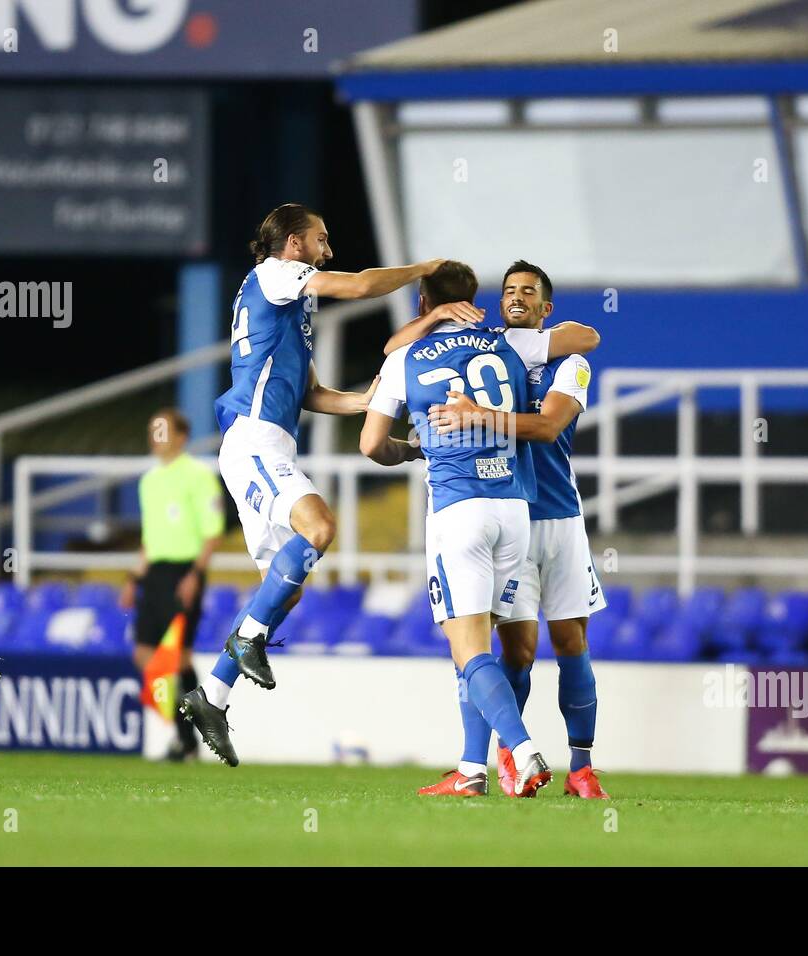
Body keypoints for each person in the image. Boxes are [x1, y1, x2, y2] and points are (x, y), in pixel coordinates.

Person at [179, 202, 444, 767]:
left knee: (288, 588)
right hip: (253, 441)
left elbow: (312, 395)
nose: (329, 248)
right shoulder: (278, 273)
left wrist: (366, 400)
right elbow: (363, 285)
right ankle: (248, 641)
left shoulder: (289, 304)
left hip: (265, 443)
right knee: (320, 526)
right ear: (293, 243)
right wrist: (425, 268)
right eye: (321, 239)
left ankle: (212, 695)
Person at [360, 259, 599, 797]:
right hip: (514, 508)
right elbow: (580, 339)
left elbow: (372, 444)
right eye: (509, 290)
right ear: (481, 302)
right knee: (505, 648)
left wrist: (416, 446)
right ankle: (474, 770)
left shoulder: (408, 357)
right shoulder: (506, 347)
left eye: (528, 291)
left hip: (467, 509)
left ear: (423, 304)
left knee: (472, 649)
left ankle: (523, 752)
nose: (517, 297)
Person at [122, 408, 224, 761]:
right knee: (145, 655)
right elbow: (150, 537)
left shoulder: (198, 476)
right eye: (154, 430)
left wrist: (195, 574)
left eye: (163, 430)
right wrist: (135, 578)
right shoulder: (149, 481)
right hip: (155, 573)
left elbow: (212, 531)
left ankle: (195, 735)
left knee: (179, 657)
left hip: (184, 571)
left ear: (181, 437)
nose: (156, 437)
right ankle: (185, 735)